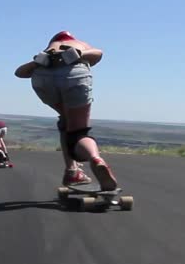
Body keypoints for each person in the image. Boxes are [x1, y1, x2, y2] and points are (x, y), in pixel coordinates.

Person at [14, 30, 117, 190]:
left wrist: (37, 63)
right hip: (74, 74)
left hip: (43, 78)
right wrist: (80, 53)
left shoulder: (49, 50)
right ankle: (95, 159)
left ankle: (72, 171)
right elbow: (98, 53)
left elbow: (19, 73)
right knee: (78, 132)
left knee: (66, 121)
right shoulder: (79, 44)